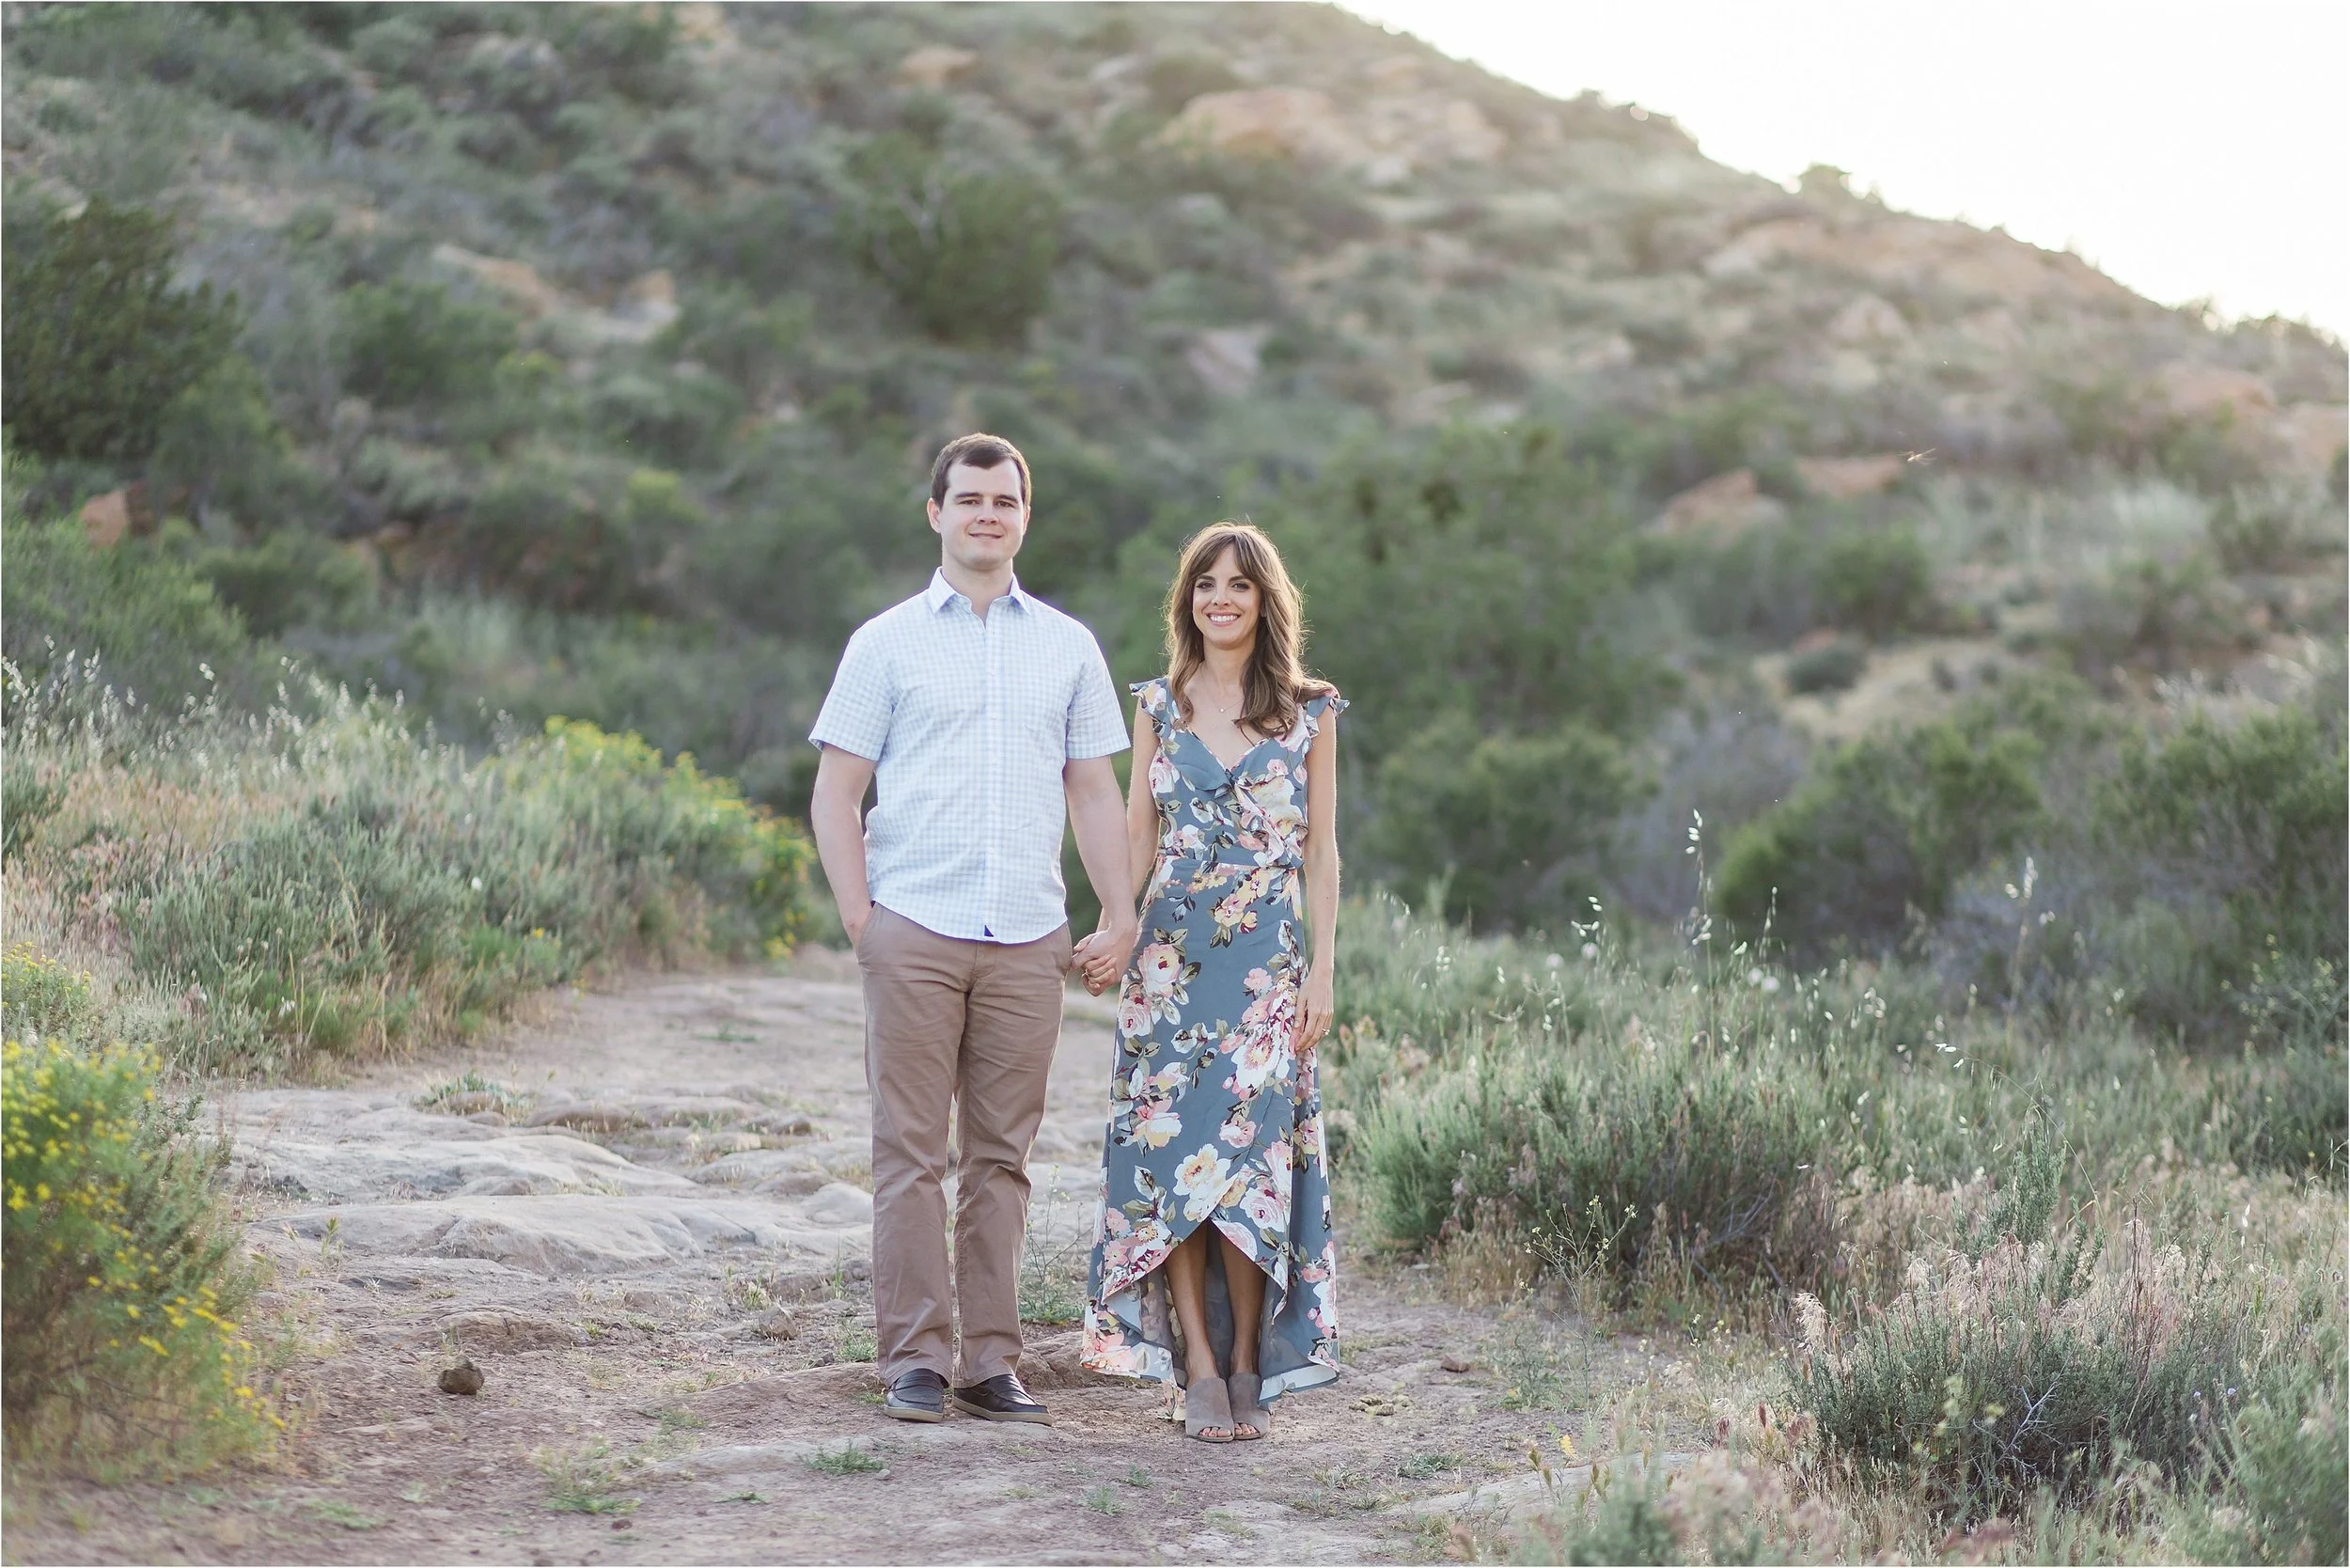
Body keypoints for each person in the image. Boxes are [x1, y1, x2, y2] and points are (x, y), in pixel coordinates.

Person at [807, 432, 1138, 1426]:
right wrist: (862, 918)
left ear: (1024, 516)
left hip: (1029, 937)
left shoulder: (1067, 646)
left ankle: (991, 1362)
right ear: (936, 513)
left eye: (1004, 500)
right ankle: (914, 1359)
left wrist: (1117, 910)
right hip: (914, 925)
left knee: (1001, 1158)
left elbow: (1091, 790)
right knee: (908, 1154)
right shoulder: (885, 642)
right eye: (969, 499)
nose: (986, 514)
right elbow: (835, 793)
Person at [1080, 521, 1344, 1442]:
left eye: (1237, 585)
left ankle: (1246, 1366)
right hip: (1169, 968)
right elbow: (1135, 839)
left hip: (1268, 970)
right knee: (1176, 1173)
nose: (1219, 599)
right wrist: (1115, 928)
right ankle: (1197, 1362)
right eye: (1204, 585)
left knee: (1251, 1171)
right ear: (1187, 600)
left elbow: (1324, 854)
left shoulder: (1310, 711)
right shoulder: (1157, 702)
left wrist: (1321, 972)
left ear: (1266, 600)